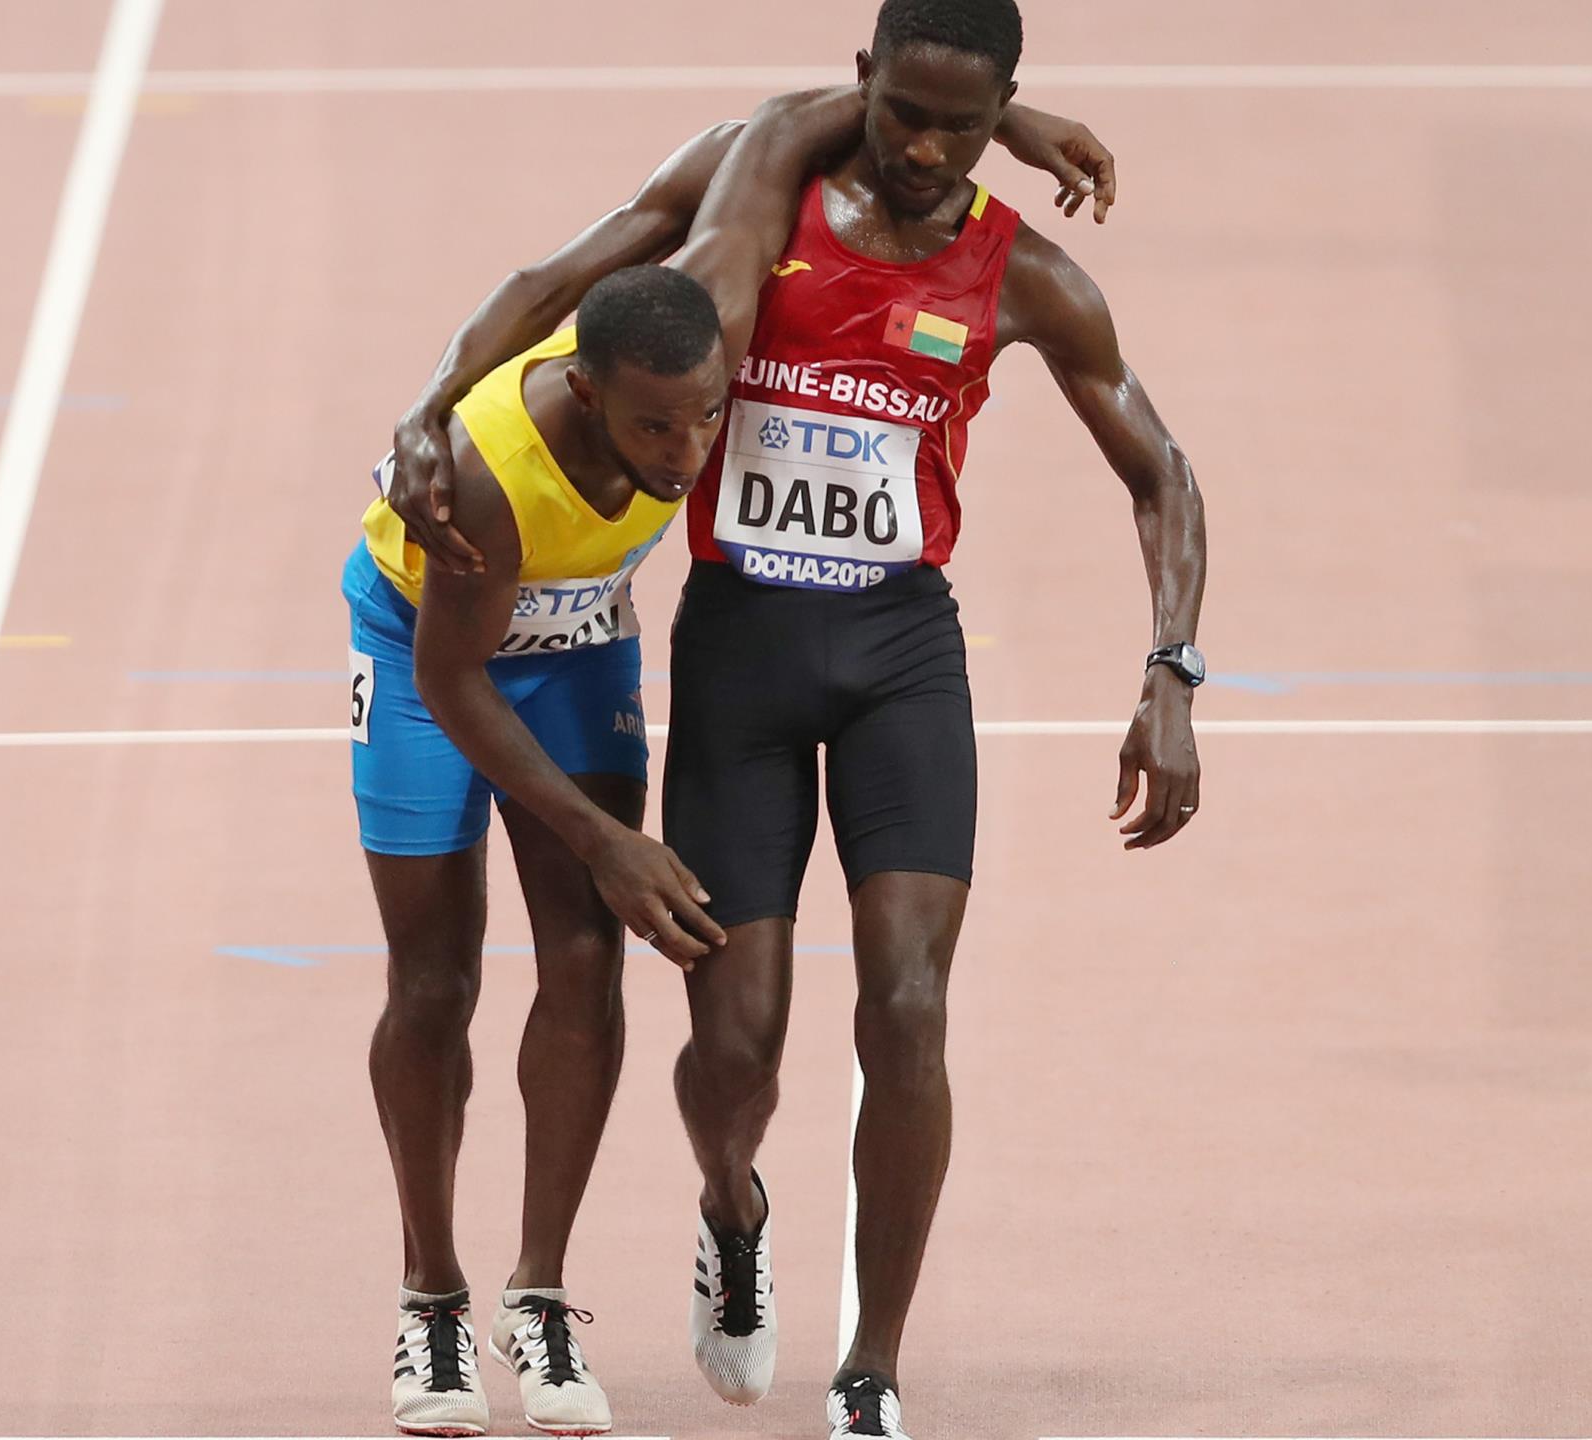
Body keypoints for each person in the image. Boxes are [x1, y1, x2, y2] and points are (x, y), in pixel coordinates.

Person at [387, 5, 1209, 1437]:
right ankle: (733, 1205)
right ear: (859, 88)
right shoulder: (754, 194)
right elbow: (571, 268)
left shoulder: (1033, 280)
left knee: (907, 1004)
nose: (927, 147)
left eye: (967, 122)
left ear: (1006, 109)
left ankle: (873, 1367)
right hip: (742, 654)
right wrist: (431, 403)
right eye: (903, 112)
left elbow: (1162, 472)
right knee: (739, 1050)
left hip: (901, 651)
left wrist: (1172, 673)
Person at [351, 263, 730, 1437]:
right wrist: (606, 838)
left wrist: (1014, 120)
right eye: (652, 425)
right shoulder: (484, 476)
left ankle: (540, 1293)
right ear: (583, 385)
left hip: (575, 647)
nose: (683, 451)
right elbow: (452, 679)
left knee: (583, 962)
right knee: (434, 979)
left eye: (703, 416)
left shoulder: (689, 350)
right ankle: (431, 1295)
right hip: (429, 652)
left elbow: (557, 263)